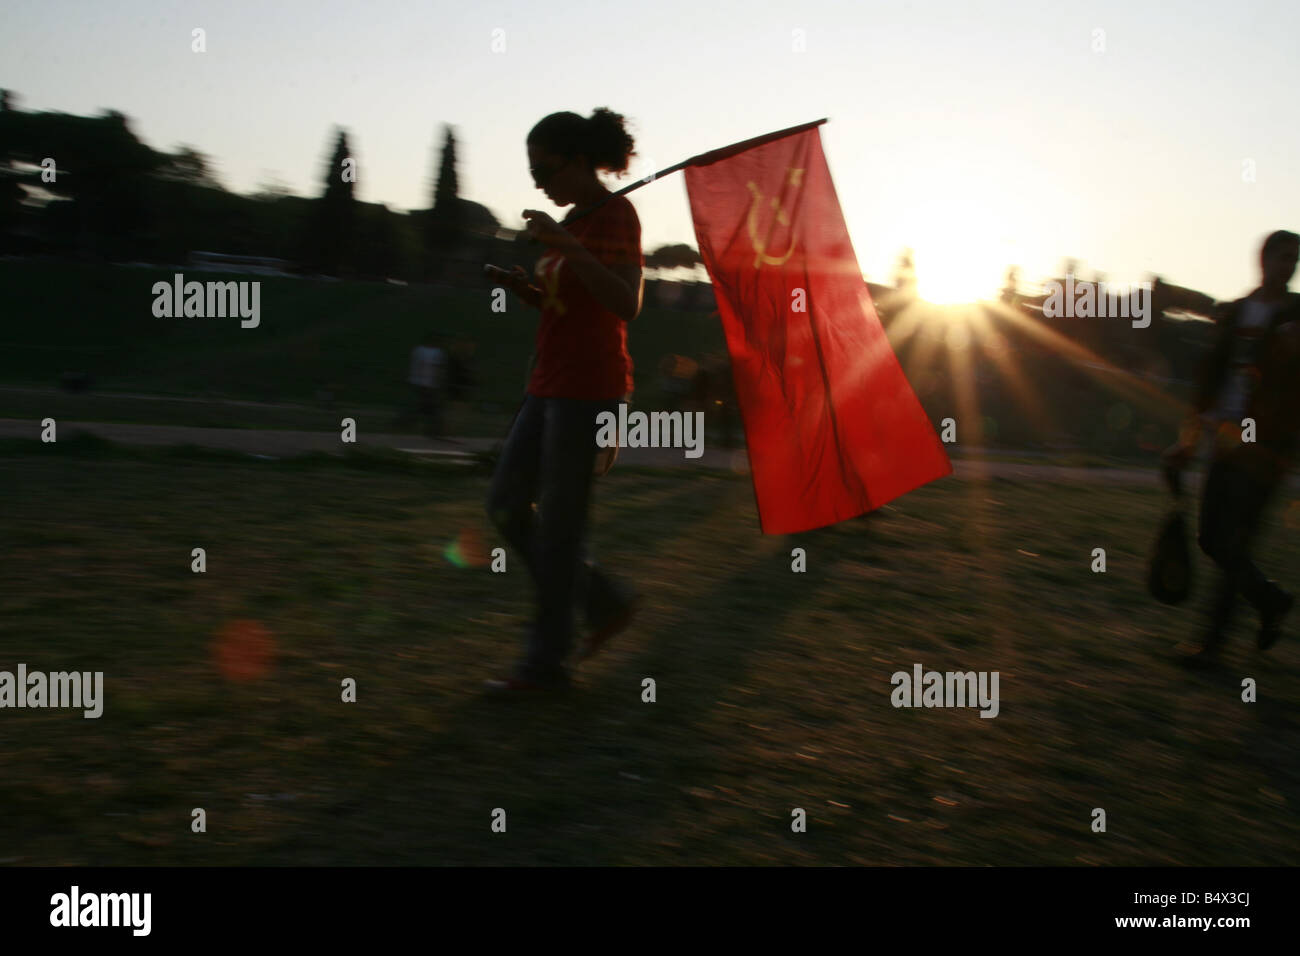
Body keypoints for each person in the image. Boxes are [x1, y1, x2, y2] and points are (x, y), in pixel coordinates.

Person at [483, 107, 644, 692]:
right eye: (531, 169)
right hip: (548, 384)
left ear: (578, 161)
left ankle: (546, 665)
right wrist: (525, 289)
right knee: (505, 504)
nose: (536, 181)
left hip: (591, 390)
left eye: (543, 167)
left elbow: (626, 303)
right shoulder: (573, 219)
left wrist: (565, 245)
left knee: (558, 530)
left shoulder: (616, 214)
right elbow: (568, 306)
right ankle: (601, 599)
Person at [1165, 230, 1300, 664]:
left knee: (1235, 541)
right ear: (1262, 260)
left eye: (1295, 260)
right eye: (1283, 257)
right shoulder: (1239, 310)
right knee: (1210, 539)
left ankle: (1211, 646)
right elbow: (1211, 378)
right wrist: (1189, 439)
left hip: (1267, 449)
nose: (1290, 266)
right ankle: (1269, 601)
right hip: (1226, 441)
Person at [407, 332, 447, 438]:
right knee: (430, 408)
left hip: (421, 382)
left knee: (425, 406)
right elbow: (436, 369)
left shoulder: (419, 350)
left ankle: (427, 427)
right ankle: (431, 429)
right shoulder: (434, 352)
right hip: (427, 384)